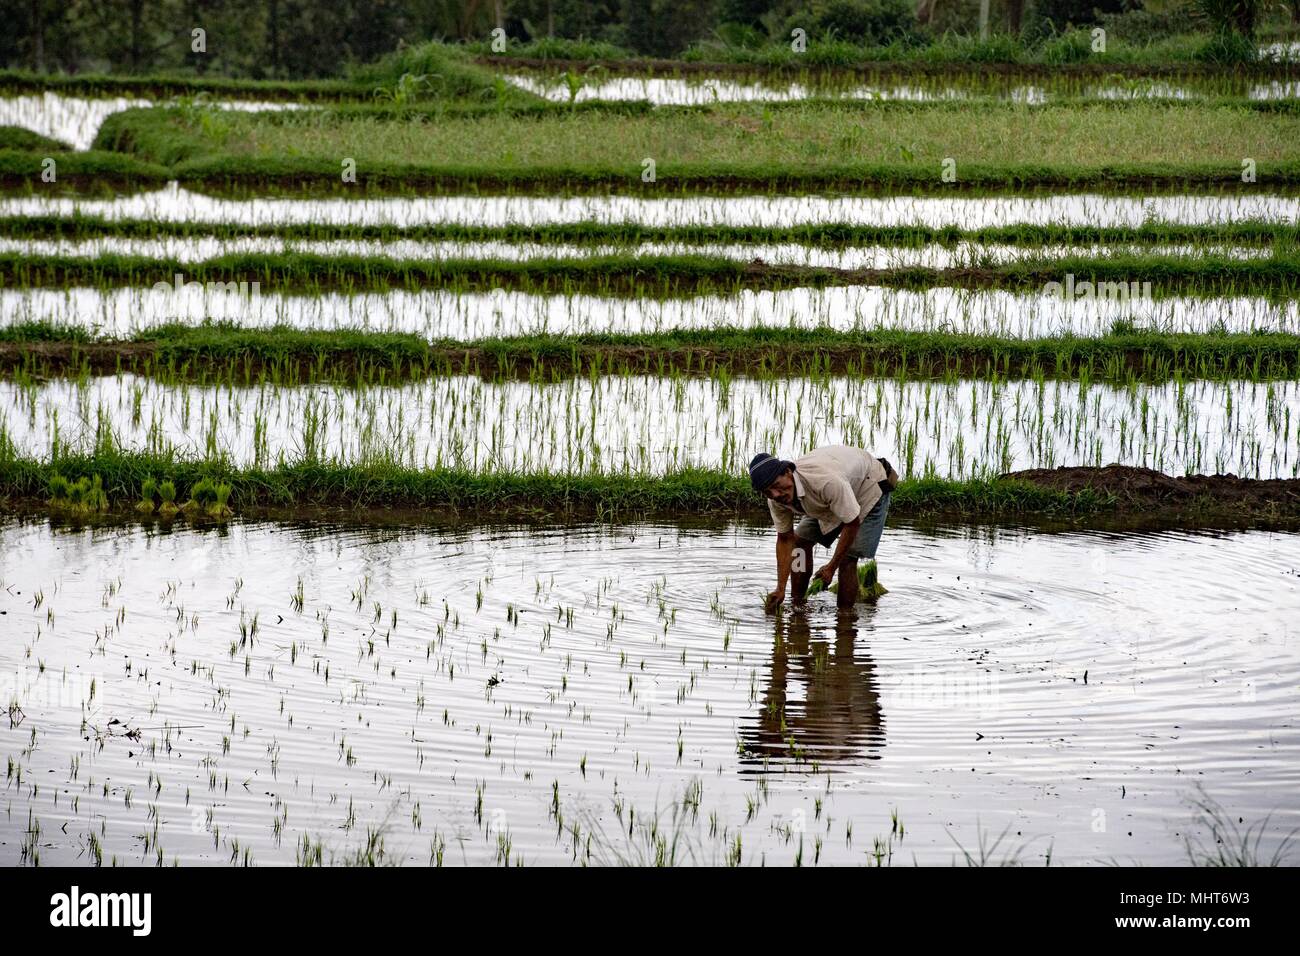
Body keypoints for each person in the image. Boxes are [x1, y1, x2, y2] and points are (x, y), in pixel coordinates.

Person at [749, 444, 899, 612]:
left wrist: (830, 567)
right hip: (828, 498)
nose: (776, 494)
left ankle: (845, 620)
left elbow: (851, 522)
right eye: (768, 492)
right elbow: (785, 539)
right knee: (799, 545)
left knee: (847, 559)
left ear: (788, 472)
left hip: (867, 485)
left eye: (777, 485)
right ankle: (798, 604)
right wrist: (780, 587)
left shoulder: (825, 481)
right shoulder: (776, 500)